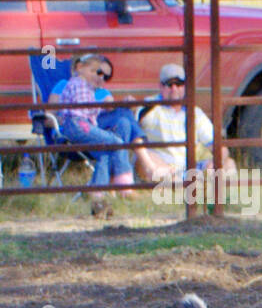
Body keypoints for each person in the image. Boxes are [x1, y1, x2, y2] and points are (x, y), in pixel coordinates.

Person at [58, 53, 135, 216]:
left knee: (104, 153)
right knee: (117, 142)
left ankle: (97, 195)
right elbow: (84, 107)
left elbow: (91, 108)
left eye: (102, 74)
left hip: (82, 125)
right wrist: (102, 107)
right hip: (78, 125)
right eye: (94, 71)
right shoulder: (79, 84)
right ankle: (124, 183)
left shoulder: (87, 88)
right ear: (79, 68)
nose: (98, 77)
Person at [139, 62, 236, 180]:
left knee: (229, 164)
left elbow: (219, 147)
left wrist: (213, 164)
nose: (174, 89)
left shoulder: (195, 113)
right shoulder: (150, 107)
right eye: (169, 84)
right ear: (160, 86)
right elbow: (133, 129)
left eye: (178, 84)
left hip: (190, 169)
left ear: (185, 86)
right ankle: (176, 184)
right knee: (146, 158)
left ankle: (219, 194)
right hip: (163, 166)